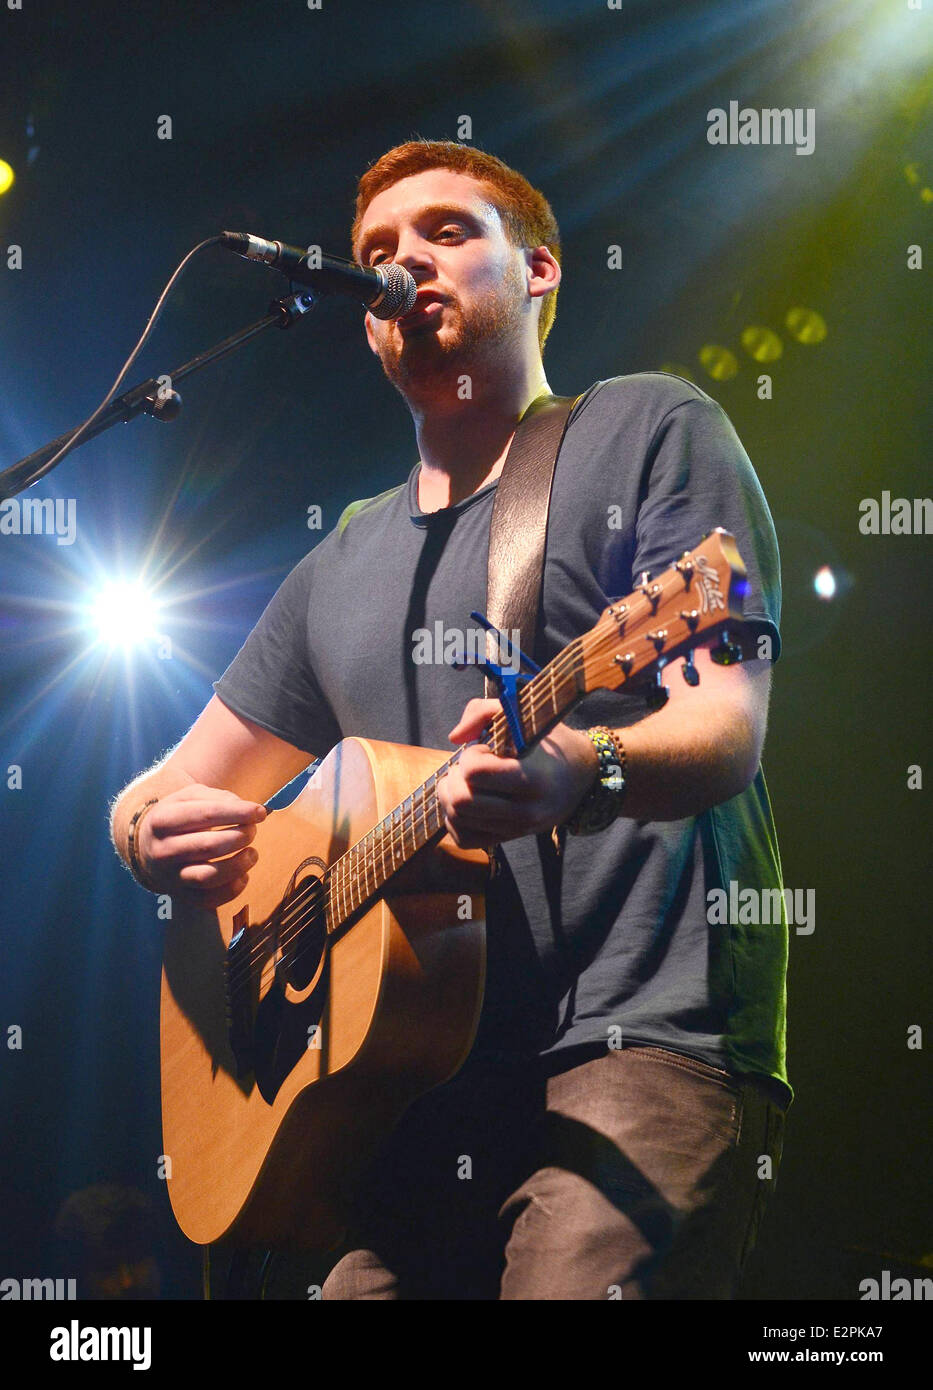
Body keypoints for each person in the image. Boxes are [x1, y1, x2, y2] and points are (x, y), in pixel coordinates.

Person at [110, 139, 790, 1300]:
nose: (402, 264)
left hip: (626, 1043)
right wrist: (147, 837)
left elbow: (726, 723)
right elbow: (161, 788)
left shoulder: (645, 431)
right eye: (376, 252)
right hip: (396, 1090)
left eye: (446, 232)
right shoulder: (342, 559)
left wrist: (589, 764)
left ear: (539, 271)